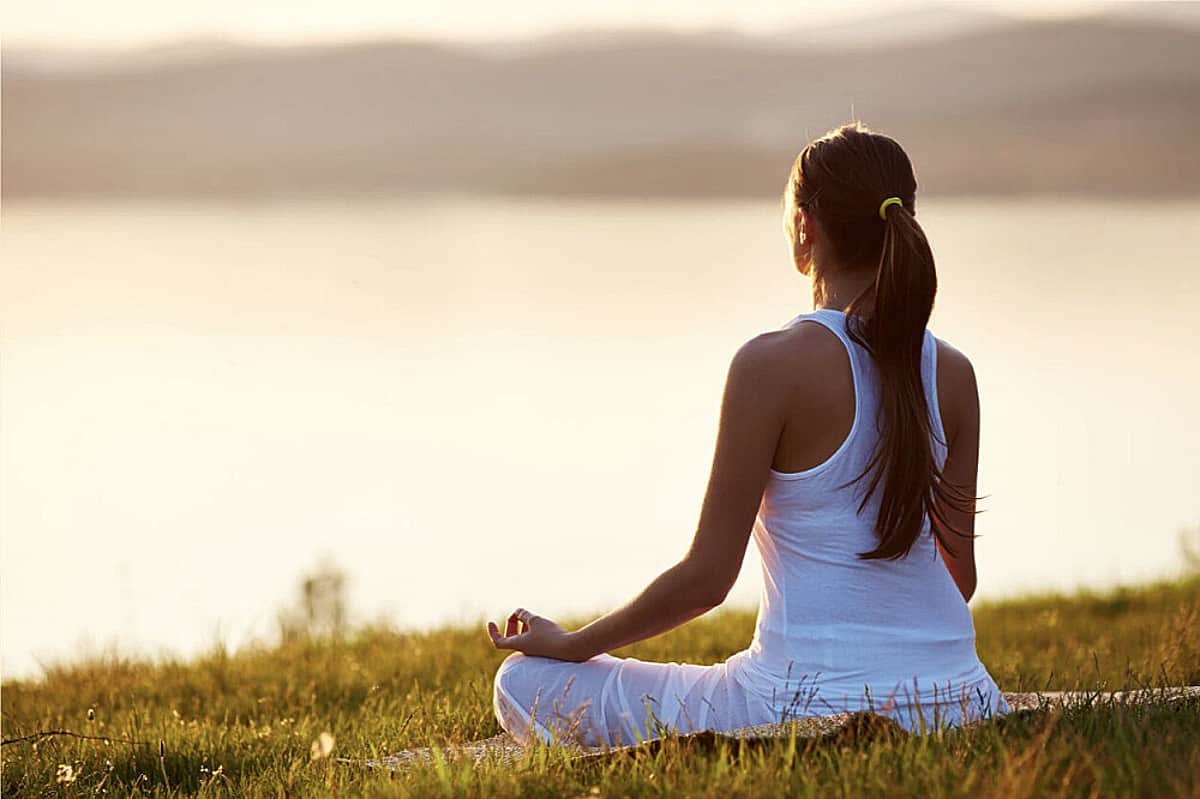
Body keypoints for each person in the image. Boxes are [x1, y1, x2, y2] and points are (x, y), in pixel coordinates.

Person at [486, 121, 1010, 748]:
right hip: (965, 697)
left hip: (795, 703)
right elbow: (960, 580)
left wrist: (573, 644)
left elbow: (708, 580)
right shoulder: (952, 372)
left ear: (805, 230)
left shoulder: (770, 365)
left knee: (521, 682)